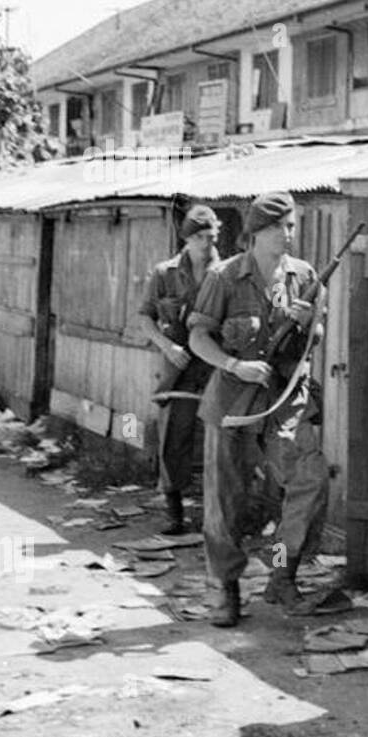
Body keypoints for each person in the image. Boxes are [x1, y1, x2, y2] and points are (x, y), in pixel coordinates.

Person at [187, 190, 331, 628]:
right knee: (226, 500)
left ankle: (282, 572)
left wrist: (309, 324)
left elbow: (315, 340)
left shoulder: (305, 276)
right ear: (258, 232)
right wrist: (235, 364)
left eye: (291, 226)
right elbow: (198, 338)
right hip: (232, 402)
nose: (290, 234)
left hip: (285, 400)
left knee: (309, 479)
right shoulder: (225, 277)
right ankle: (227, 589)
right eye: (282, 227)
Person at [138, 204, 222, 535]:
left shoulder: (228, 270)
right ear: (186, 239)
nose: (206, 243)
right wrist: (166, 346)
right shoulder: (164, 273)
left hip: (216, 360)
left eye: (211, 236)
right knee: (175, 435)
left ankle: (222, 512)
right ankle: (175, 511)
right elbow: (145, 317)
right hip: (180, 364)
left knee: (224, 432)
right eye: (199, 237)